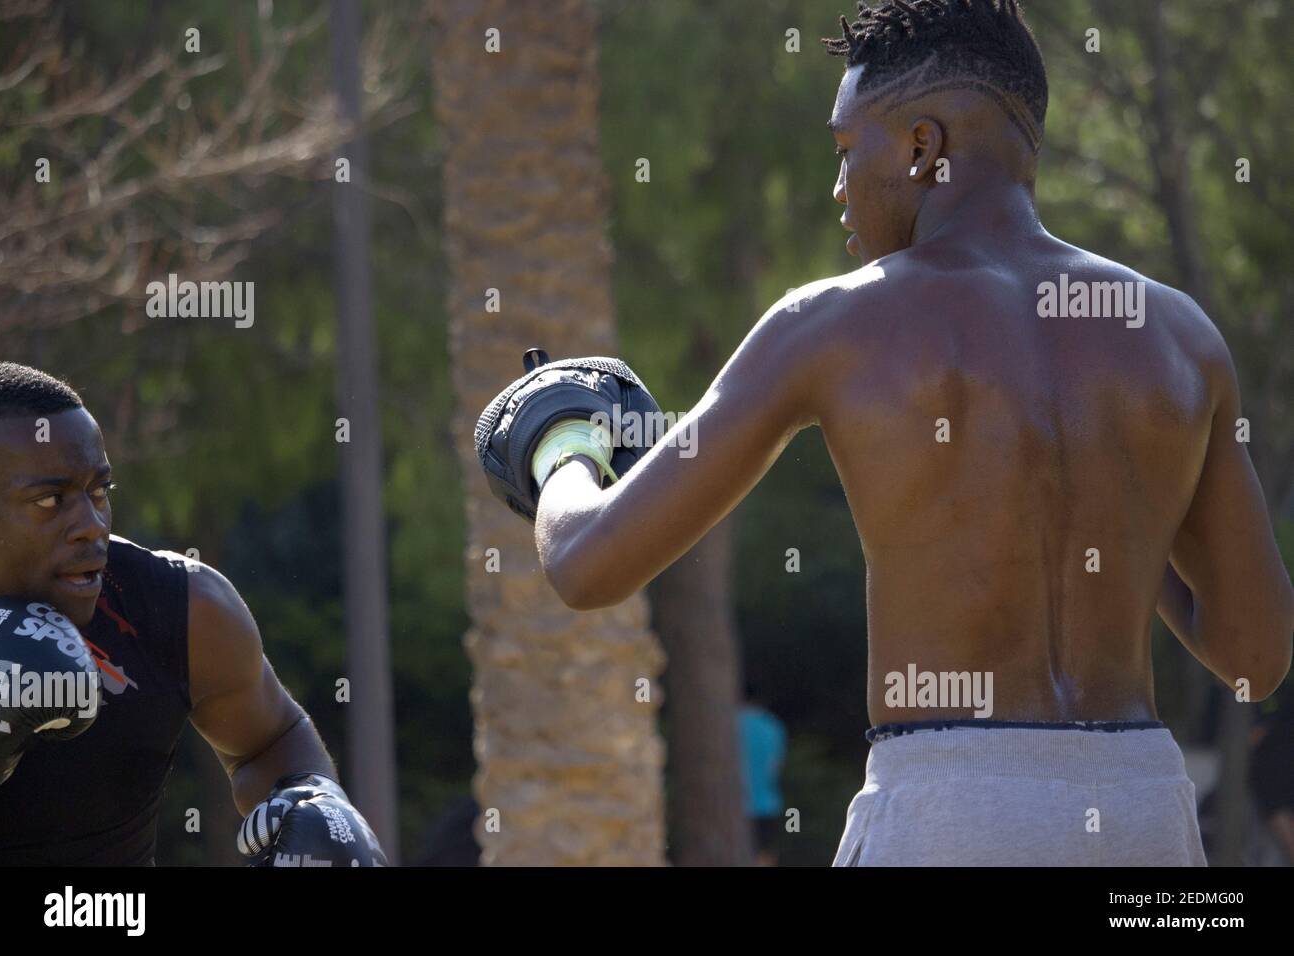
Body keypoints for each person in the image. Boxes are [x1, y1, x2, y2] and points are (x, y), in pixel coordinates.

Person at [477, 0, 1292, 866]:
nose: (836, 187)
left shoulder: (831, 324)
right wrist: (1127, 510)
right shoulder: (1179, 335)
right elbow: (1257, 658)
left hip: (949, 808)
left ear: (920, 146)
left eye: (843, 148)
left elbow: (586, 562)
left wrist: (560, 437)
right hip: (1144, 817)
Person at [0, 362, 385, 866]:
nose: (90, 526)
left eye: (98, 492)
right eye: (50, 500)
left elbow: (271, 739)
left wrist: (315, 799)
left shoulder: (180, 608)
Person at [738, 683, 787, 866]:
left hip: (736, 804)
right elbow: (776, 766)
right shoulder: (773, 725)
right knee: (764, 855)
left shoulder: (728, 725)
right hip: (768, 803)